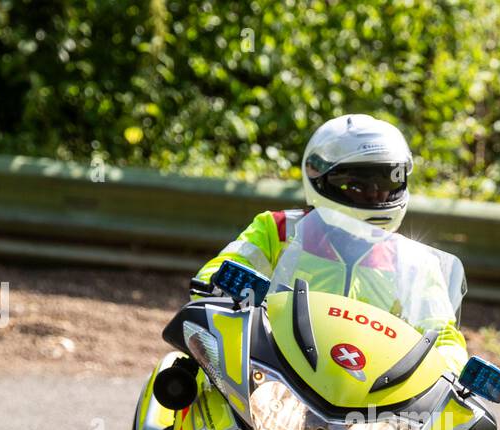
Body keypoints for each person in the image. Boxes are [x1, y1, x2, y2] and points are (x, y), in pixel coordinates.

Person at [196, 114, 468, 371]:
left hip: (369, 391)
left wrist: (450, 365)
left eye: (387, 179)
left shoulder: (413, 263)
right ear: (320, 178)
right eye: (359, 183)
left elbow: (442, 333)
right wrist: (215, 286)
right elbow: (219, 271)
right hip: (275, 368)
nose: (375, 192)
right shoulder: (277, 230)